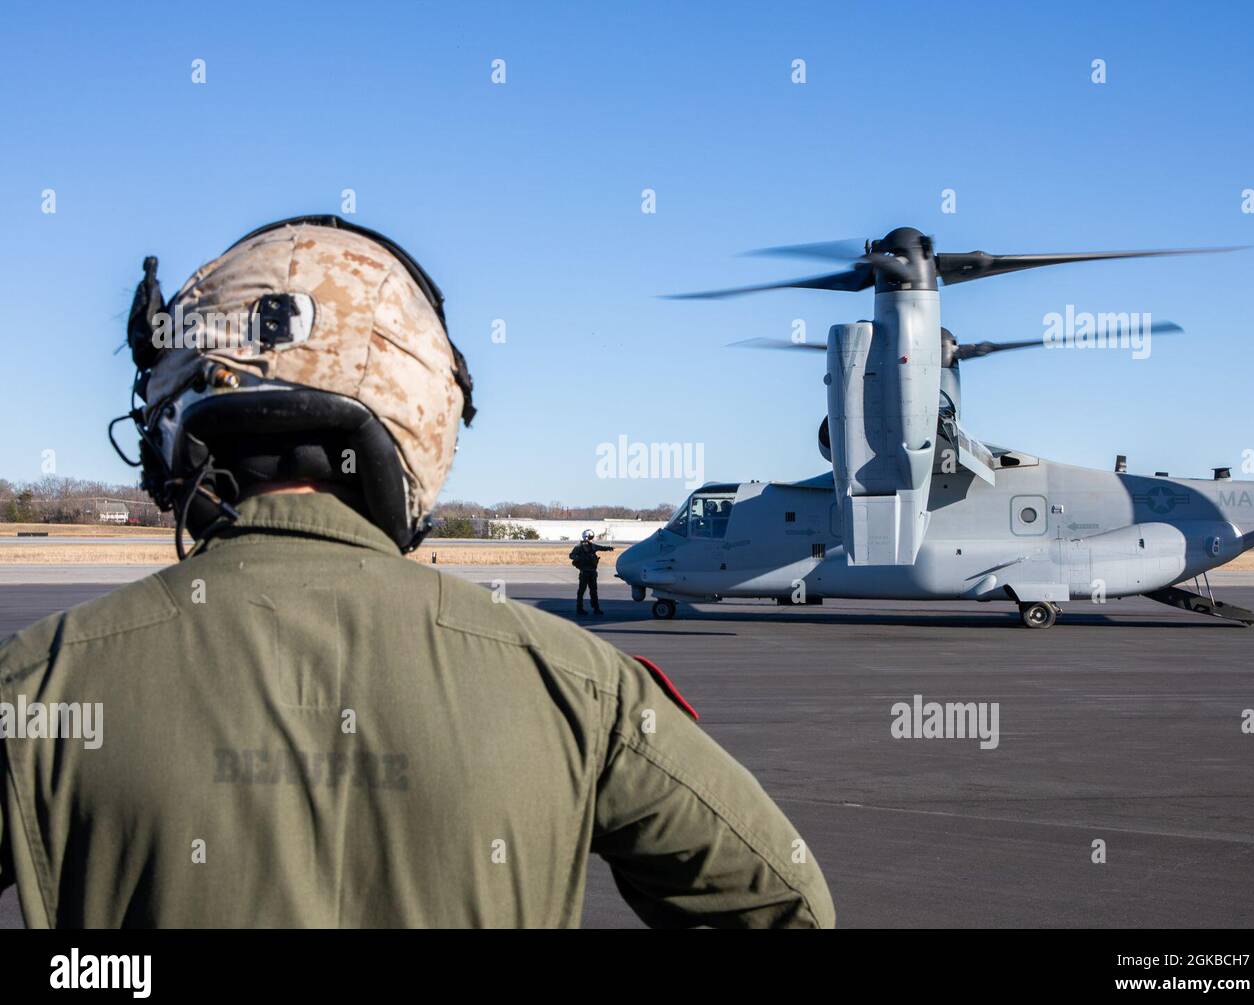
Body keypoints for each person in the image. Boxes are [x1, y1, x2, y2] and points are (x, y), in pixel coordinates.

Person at [0, 216, 833, 929]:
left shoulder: (40, 685)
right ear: (425, 414)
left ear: (174, 419)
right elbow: (784, 904)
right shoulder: (579, 687)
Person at [570, 528, 613, 616]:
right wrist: (579, 558)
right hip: (584, 572)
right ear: (586, 537)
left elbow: (601, 548)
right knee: (582, 591)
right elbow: (571, 555)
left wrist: (609, 548)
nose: (591, 538)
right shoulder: (579, 547)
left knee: (593, 591)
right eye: (590, 537)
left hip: (592, 572)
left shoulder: (592, 546)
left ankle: (596, 608)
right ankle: (580, 609)